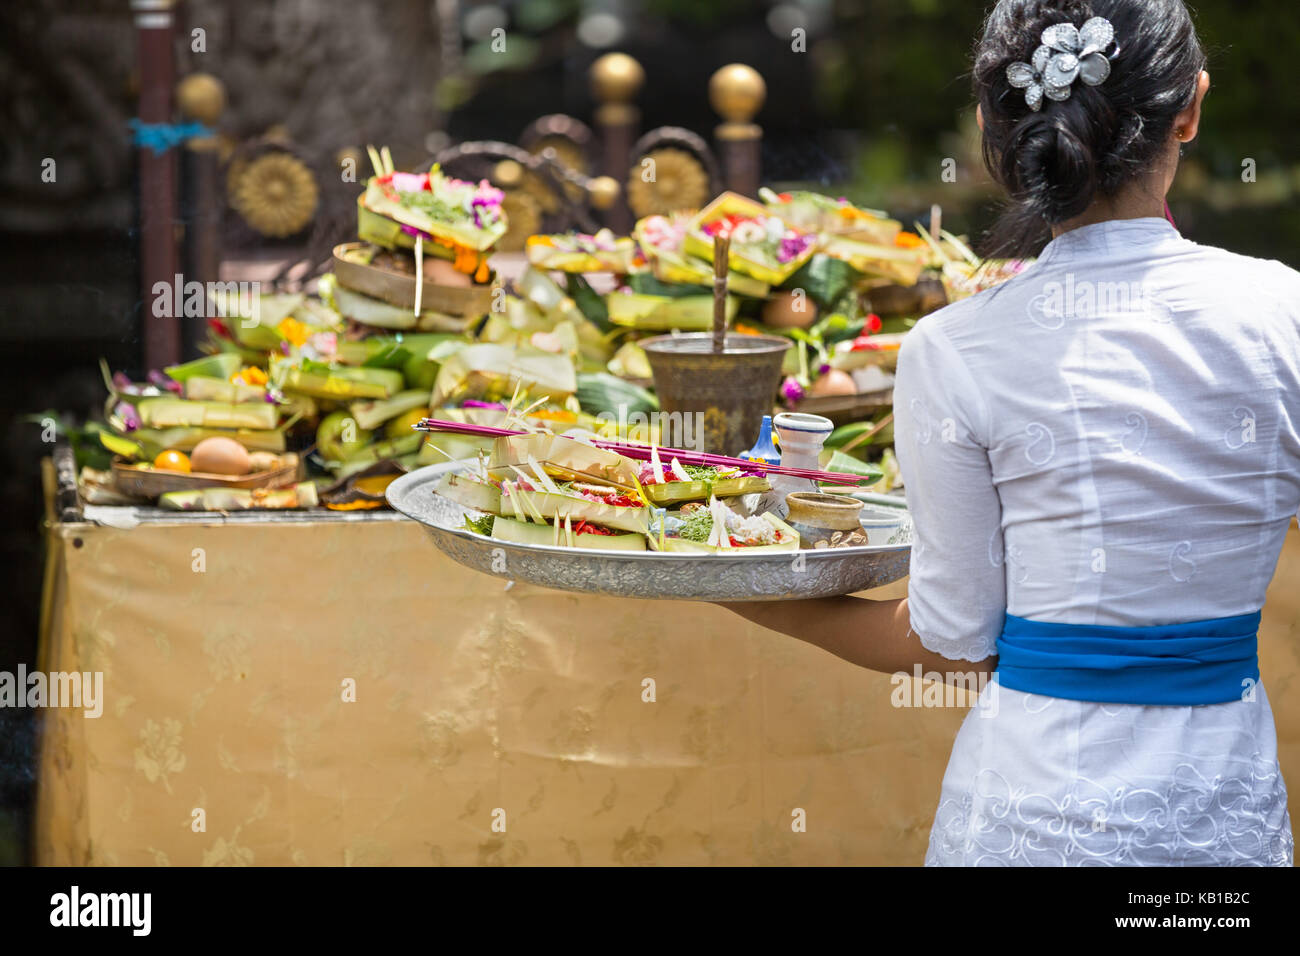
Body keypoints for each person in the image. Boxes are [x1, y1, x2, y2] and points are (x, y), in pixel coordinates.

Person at [723, 0, 1296, 866]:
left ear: (995, 125)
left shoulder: (956, 348)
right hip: (1221, 819)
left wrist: (743, 592)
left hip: (1032, 819)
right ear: (1191, 107)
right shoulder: (1283, 315)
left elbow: (949, 641)